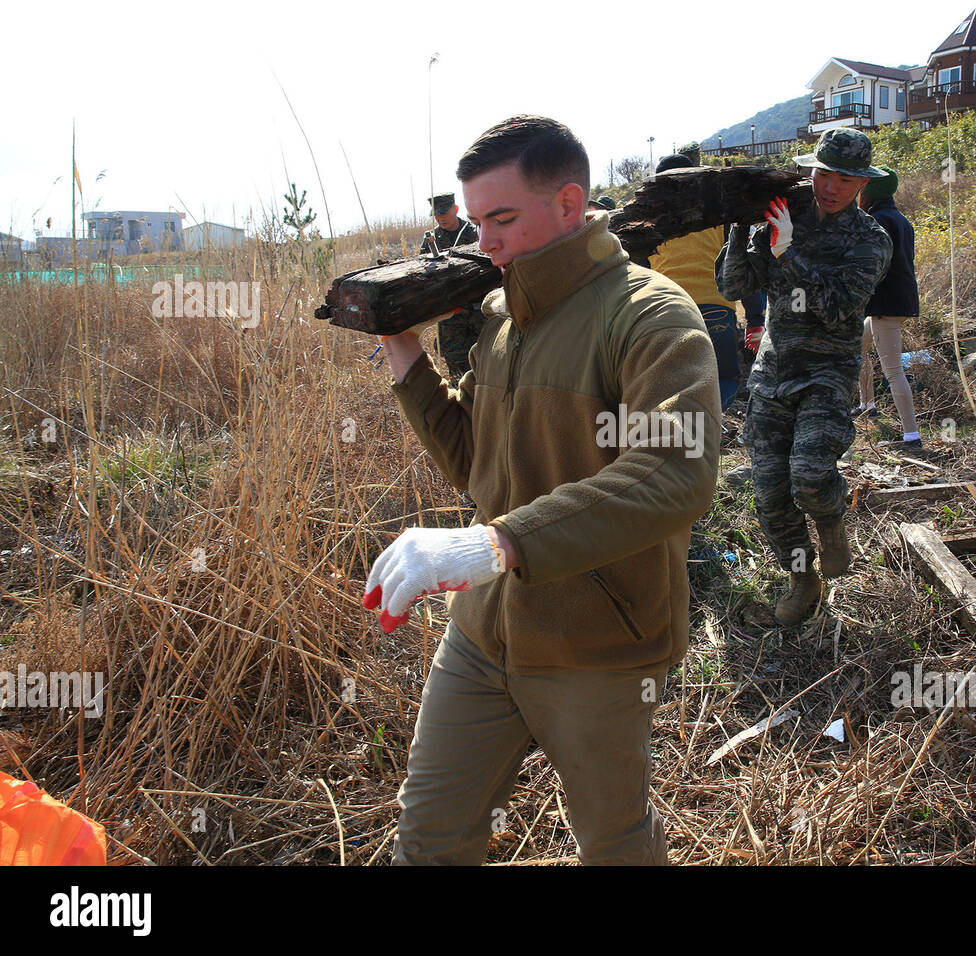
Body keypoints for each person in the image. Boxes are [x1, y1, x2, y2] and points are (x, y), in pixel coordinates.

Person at [367, 115, 722, 865]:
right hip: (483, 633)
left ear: (568, 204)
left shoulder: (651, 315)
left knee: (615, 842)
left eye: (501, 219)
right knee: (429, 834)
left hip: (595, 642)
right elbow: (484, 469)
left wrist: (498, 542)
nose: (482, 242)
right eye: (474, 222)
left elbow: (674, 473)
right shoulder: (502, 317)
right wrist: (407, 363)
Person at [716, 128, 892, 626]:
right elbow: (733, 284)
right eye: (823, 173)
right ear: (811, 171)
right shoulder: (782, 218)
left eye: (845, 177)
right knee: (771, 495)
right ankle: (802, 579)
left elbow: (839, 308)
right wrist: (740, 229)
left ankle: (832, 525)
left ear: (861, 183)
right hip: (773, 373)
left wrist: (789, 254)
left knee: (811, 476)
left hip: (827, 374)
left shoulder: (869, 240)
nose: (831, 186)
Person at [647, 153, 742, 411]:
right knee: (723, 377)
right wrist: (755, 317)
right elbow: (737, 261)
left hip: (668, 310)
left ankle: (683, 436)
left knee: (672, 383)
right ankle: (718, 433)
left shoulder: (648, 218)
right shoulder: (717, 215)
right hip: (716, 307)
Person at [854, 167, 921, 449]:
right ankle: (867, 404)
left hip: (886, 304)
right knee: (859, 346)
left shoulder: (877, 220)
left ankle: (911, 436)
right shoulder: (900, 219)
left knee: (893, 372)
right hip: (898, 301)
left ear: (869, 192)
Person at [420, 192, 484, 382]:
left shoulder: (473, 232)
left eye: (444, 213)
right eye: (437, 215)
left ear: (455, 210)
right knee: (455, 363)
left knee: (485, 357)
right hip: (451, 314)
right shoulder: (431, 240)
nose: (441, 218)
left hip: (478, 310)